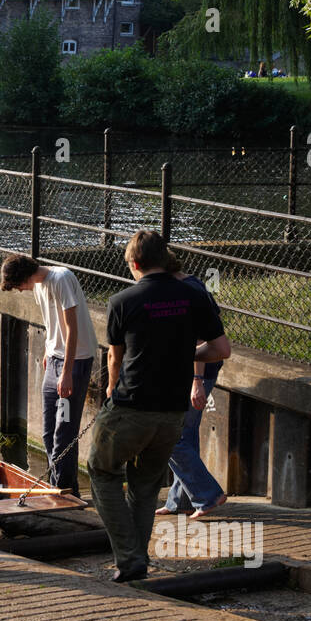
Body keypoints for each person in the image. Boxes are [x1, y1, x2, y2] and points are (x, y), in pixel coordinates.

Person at [86, 230, 231, 583]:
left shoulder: (122, 300)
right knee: (145, 486)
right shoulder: (193, 294)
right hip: (171, 413)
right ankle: (137, 559)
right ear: (165, 260)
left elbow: (114, 357)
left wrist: (109, 389)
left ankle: (129, 555)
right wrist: (185, 359)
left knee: (102, 473)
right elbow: (221, 349)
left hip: (130, 406)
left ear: (135, 264)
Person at [0, 254, 97, 496]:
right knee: (48, 431)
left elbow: (72, 328)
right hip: (54, 361)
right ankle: (59, 487)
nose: (20, 291)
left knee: (64, 431)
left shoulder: (61, 278)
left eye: (17, 286)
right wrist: (48, 350)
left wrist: (67, 372)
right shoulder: (39, 286)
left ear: (23, 277)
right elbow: (52, 323)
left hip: (73, 363)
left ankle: (64, 491)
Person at [155, 251, 228, 520]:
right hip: (194, 370)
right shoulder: (193, 283)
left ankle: (207, 495)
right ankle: (181, 500)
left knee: (170, 436)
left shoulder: (185, 290)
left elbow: (196, 339)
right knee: (186, 434)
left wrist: (196, 381)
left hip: (194, 371)